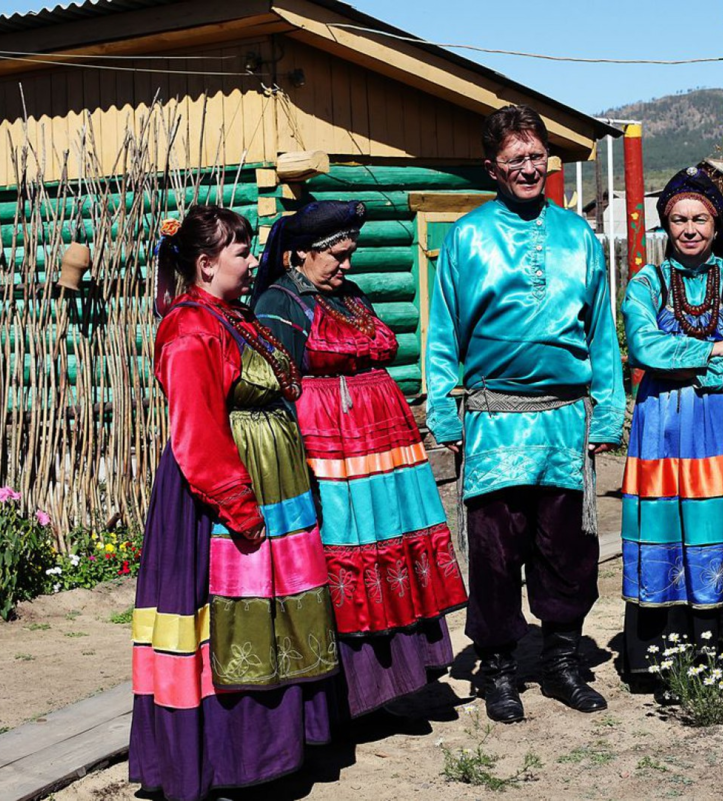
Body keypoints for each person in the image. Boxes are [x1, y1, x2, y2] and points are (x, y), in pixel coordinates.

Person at [424, 104, 625, 723]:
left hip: (564, 420)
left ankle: (563, 661)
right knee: (492, 551)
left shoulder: (578, 236)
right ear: (492, 168)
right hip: (492, 421)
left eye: (538, 157)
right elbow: (443, 337)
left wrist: (607, 414)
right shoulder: (466, 238)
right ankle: (500, 669)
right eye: (516, 160)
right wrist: (447, 417)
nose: (530, 168)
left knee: (566, 548)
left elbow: (601, 335)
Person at [131, 206, 339, 801]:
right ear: (205, 264)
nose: (252, 264)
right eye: (241, 254)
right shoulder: (189, 329)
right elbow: (196, 431)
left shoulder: (234, 318)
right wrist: (239, 507)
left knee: (266, 616)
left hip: (268, 489)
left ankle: (270, 751)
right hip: (214, 505)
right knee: (221, 623)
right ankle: (222, 759)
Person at [253, 200, 468, 719]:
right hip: (332, 452)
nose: (347, 266)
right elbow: (279, 389)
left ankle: (407, 675)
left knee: (393, 542)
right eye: (338, 256)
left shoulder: (350, 296)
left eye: (350, 255)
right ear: (300, 252)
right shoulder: (279, 306)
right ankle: (356, 692)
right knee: (348, 549)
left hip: (382, 448)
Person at [619, 165, 723, 689]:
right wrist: (714, 348)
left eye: (700, 219)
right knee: (669, 525)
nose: (689, 230)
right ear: (665, 225)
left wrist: (683, 363)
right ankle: (661, 659)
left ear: (717, 224)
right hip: (664, 430)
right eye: (678, 220)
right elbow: (643, 347)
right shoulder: (647, 282)